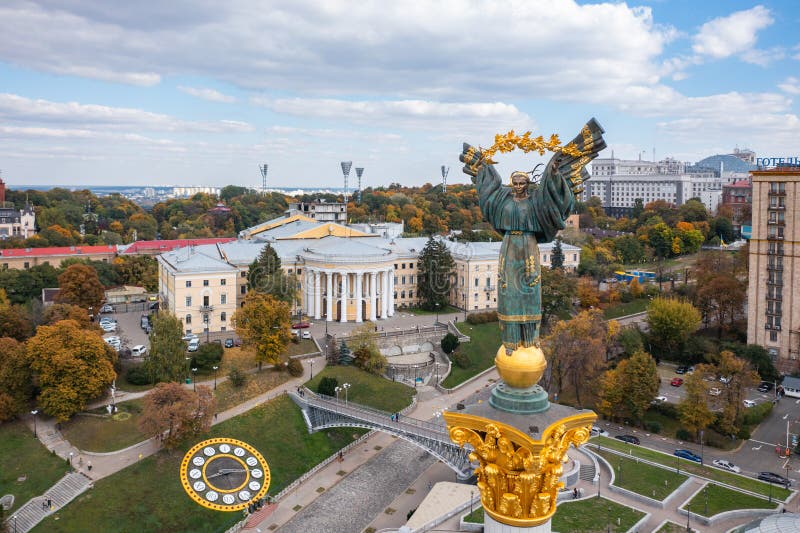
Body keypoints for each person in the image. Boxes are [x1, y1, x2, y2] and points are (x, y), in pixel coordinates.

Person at [459, 119, 605, 353]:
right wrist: (483, 166)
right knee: (508, 291)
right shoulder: (502, 201)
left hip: (528, 246)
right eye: (515, 183)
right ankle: (510, 340)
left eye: (522, 183)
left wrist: (554, 172)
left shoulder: (536, 203)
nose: (518, 186)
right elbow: (488, 191)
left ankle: (531, 338)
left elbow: (552, 196)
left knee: (530, 288)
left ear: (527, 184)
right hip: (509, 247)